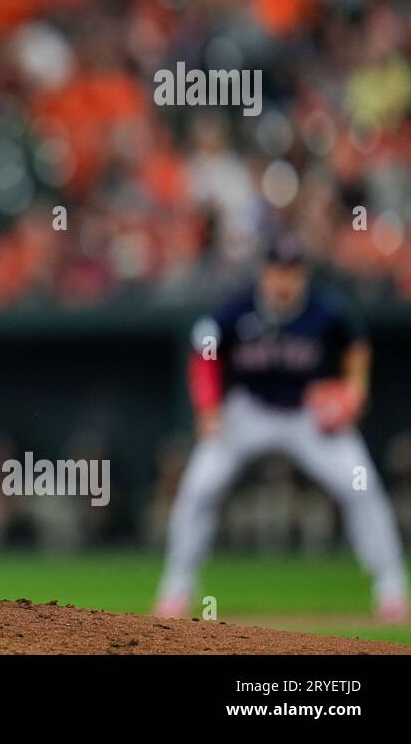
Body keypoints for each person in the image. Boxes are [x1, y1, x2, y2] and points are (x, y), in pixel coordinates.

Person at [154, 233, 409, 623]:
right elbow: (204, 351)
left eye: (291, 271)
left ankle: (391, 591)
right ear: (263, 273)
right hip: (247, 413)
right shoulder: (236, 312)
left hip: (309, 413)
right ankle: (176, 592)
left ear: (303, 275)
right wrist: (208, 406)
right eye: (277, 270)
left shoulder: (327, 312)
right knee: (199, 488)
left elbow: (356, 344)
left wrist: (356, 388)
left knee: (362, 486)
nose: (283, 280)